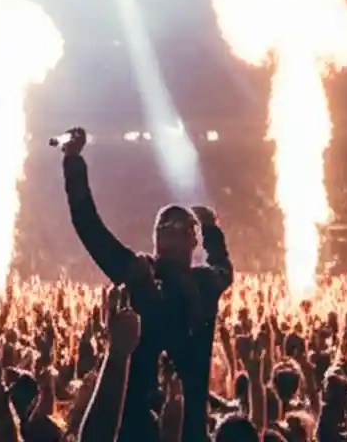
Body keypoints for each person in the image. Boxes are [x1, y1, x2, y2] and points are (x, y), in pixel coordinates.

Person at [59, 127, 234, 442]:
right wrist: (210, 228)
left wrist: (74, 163)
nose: (175, 231)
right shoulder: (165, 279)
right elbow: (90, 228)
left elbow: (89, 228)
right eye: (168, 225)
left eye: (181, 226)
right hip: (181, 427)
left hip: (140, 428)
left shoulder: (143, 279)